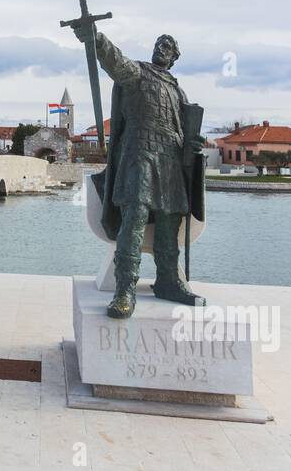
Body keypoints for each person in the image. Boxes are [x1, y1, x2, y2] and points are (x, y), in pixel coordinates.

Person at [70, 25, 206, 316]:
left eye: (168, 47)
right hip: (140, 152)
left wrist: (193, 143)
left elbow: (183, 130)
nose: (161, 48)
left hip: (170, 160)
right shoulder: (137, 74)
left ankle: (168, 280)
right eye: (159, 43)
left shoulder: (177, 91)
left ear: (174, 57)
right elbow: (113, 59)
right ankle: (124, 290)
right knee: (134, 218)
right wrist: (94, 36)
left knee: (170, 221)